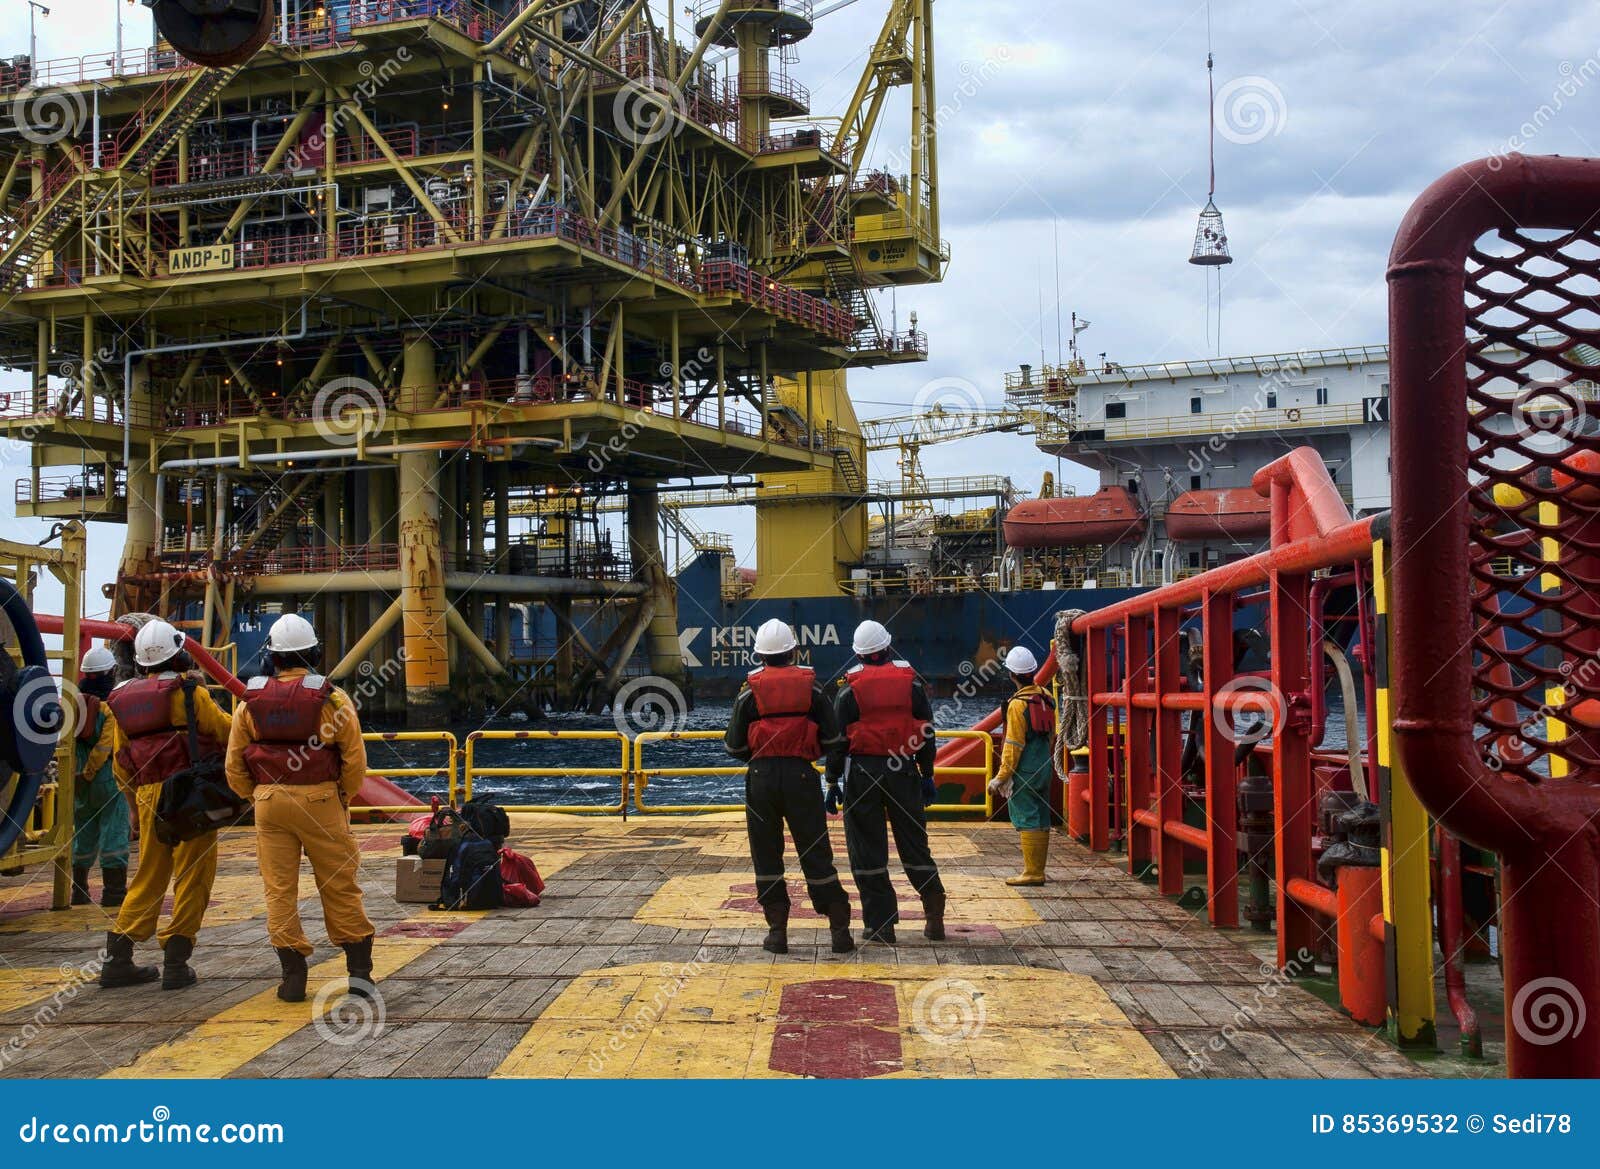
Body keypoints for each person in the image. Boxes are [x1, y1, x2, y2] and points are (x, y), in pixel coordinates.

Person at [225, 613, 376, 1003]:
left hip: (269, 804)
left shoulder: (249, 702)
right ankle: (359, 975)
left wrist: (255, 795)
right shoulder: (332, 698)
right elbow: (355, 760)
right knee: (340, 885)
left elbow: (234, 764)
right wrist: (340, 794)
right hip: (322, 799)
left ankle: (293, 977)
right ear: (312, 654)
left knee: (279, 891)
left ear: (271, 657)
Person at [99, 620, 232, 990]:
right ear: (179, 654)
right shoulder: (189, 692)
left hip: (146, 796)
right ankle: (176, 961)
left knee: (149, 875)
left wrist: (131, 807)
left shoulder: (121, 702)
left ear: (141, 662)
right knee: (193, 875)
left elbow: (120, 763)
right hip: (189, 795)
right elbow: (226, 731)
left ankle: (118, 958)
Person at [724, 618, 854, 955]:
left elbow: (735, 746)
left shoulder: (748, 693)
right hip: (801, 778)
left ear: (760, 656)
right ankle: (840, 930)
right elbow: (834, 739)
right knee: (816, 853)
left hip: (762, 780)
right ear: (794, 652)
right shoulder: (813, 690)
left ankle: (777, 933)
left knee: (766, 855)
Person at [828, 620, 945, 944]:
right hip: (903, 771)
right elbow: (926, 733)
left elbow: (837, 743)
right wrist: (927, 775)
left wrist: (832, 781)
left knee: (867, 851)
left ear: (859, 654)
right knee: (915, 847)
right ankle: (934, 920)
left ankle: (881, 926)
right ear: (888, 648)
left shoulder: (848, 690)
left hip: (863, 776)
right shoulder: (913, 687)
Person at [70, 646, 135, 908]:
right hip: (108, 777)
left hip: (77, 779)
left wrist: (80, 775)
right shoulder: (111, 707)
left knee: (83, 832)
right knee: (114, 833)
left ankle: (79, 890)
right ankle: (114, 892)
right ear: (110, 671)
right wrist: (91, 772)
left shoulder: (72, 704)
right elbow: (108, 746)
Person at [987, 646, 1056, 886]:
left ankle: (1032, 872)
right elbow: (1051, 736)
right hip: (1044, 766)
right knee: (1041, 817)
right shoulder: (1047, 696)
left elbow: (1013, 743)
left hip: (1024, 771)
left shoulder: (1018, 705)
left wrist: (1001, 776)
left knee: (1026, 817)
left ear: (1011, 675)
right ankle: (1038, 869)